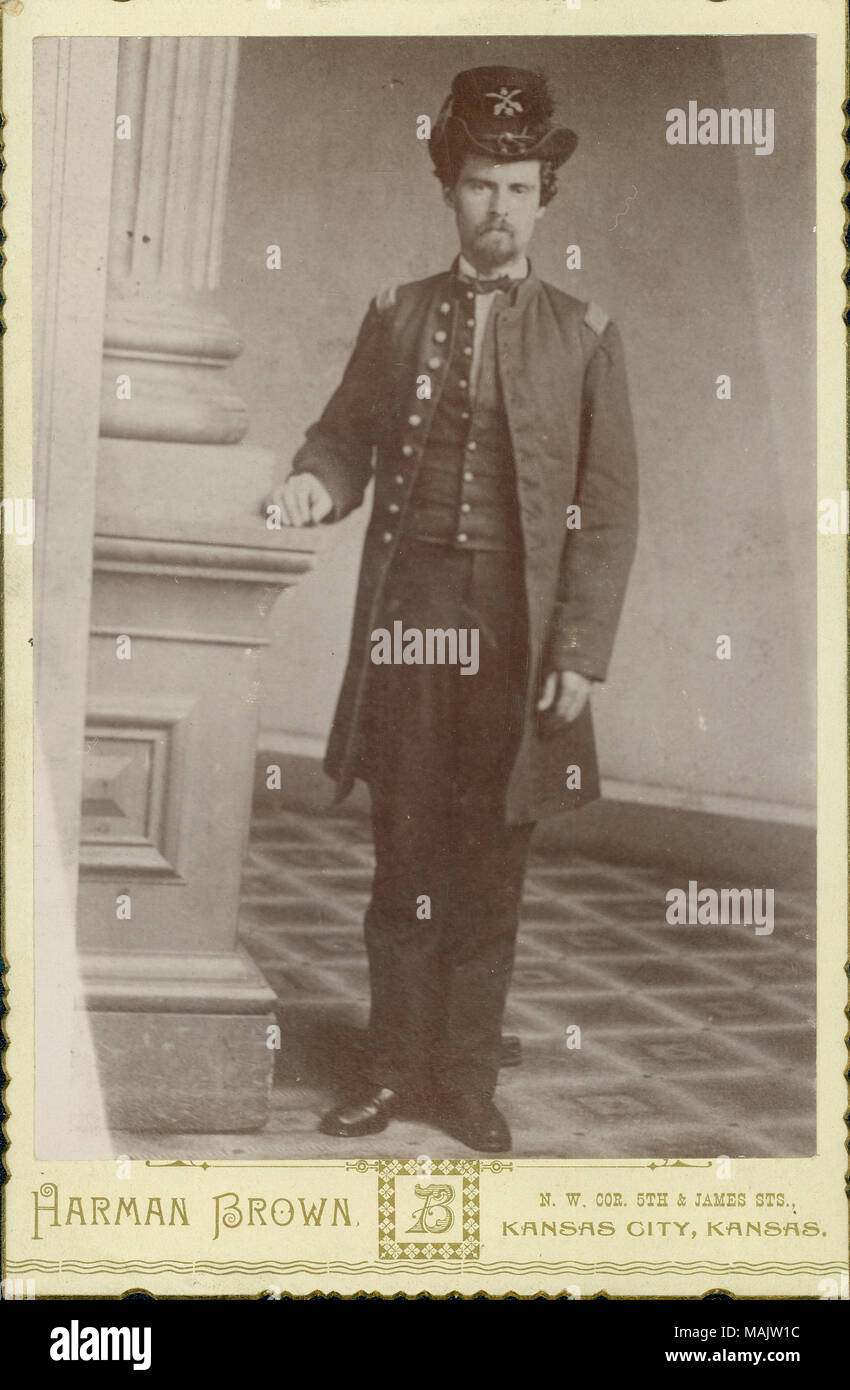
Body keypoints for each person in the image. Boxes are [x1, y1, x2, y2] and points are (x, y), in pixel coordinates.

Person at [264, 65, 639, 1152]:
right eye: (480, 184)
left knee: (492, 859)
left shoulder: (586, 333)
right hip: (412, 621)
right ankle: (388, 1069)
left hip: (519, 638)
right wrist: (312, 486)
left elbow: (606, 511)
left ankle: (464, 1081)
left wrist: (579, 648)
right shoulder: (396, 316)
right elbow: (341, 439)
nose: (499, 208)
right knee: (407, 851)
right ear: (449, 186)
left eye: (518, 187)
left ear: (543, 197)